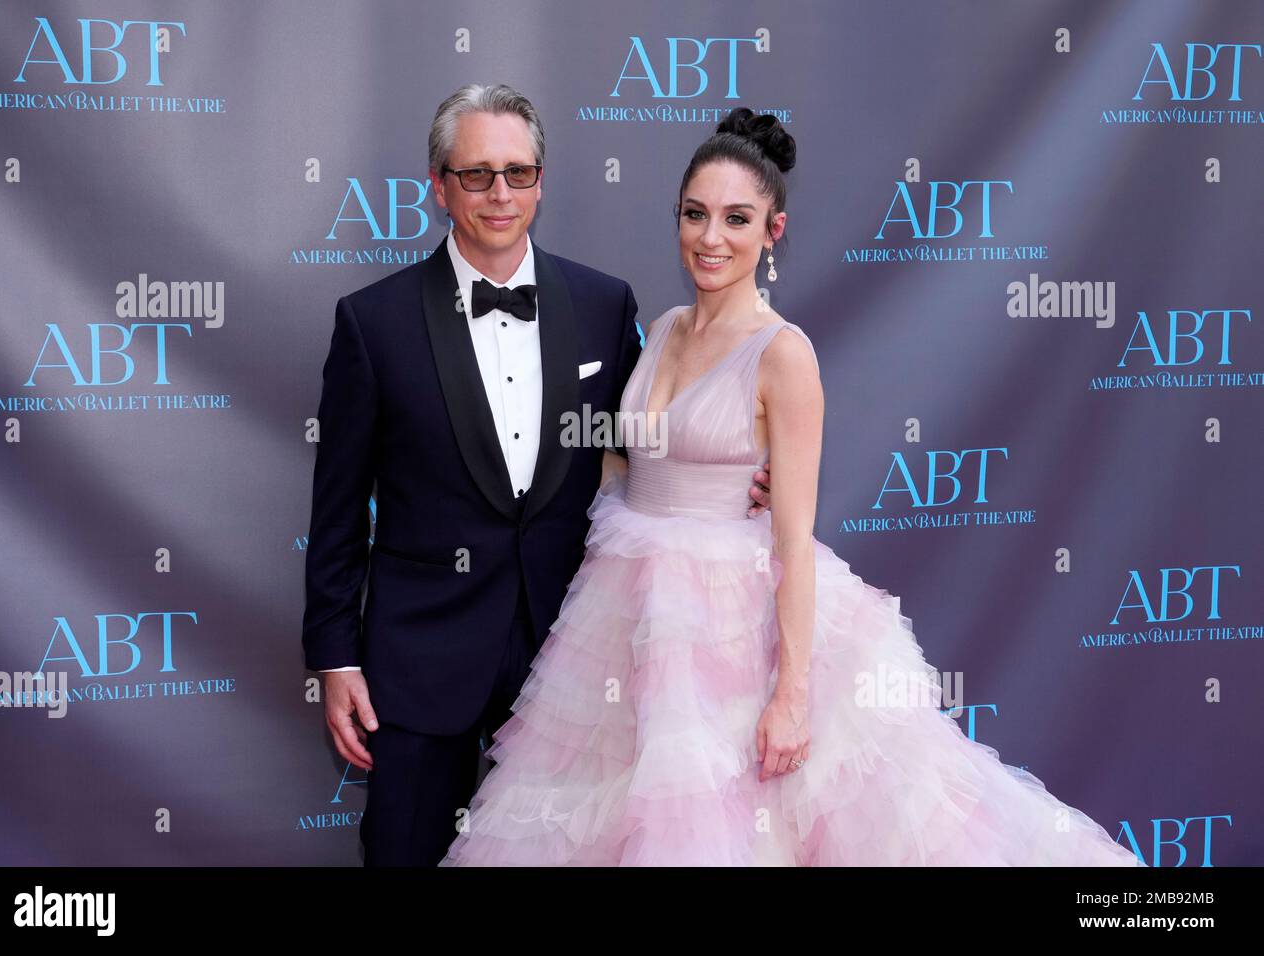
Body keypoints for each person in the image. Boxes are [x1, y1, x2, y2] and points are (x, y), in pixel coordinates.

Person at [439, 108, 1147, 866]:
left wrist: (791, 696)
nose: (711, 238)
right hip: (625, 614)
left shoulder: (784, 355)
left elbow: (793, 543)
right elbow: (617, 469)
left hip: (729, 630)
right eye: (695, 215)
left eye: (736, 219)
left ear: (772, 231)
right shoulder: (666, 326)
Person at [300, 85, 772, 867]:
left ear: (542, 182)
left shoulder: (601, 304)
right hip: (420, 661)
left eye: (519, 173)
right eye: (477, 174)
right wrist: (335, 658)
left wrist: (741, 486)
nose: (500, 194)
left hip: (575, 653)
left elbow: (645, 445)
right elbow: (338, 508)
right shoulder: (372, 322)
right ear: (438, 184)